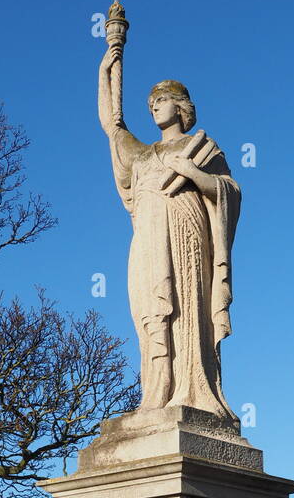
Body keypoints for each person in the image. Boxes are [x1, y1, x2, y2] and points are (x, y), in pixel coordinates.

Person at [98, 46, 241, 421]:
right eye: (151, 102)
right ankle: (156, 389)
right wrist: (110, 62)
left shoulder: (201, 149)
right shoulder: (142, 154)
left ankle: (190, 389)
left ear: (181, 106)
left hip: (184, 233)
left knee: (183, 306)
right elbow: (113, 126)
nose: (154, 107)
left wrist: (192, 173)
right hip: (147, 237)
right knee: (151, 309)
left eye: (161, 100)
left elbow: (229, 192)